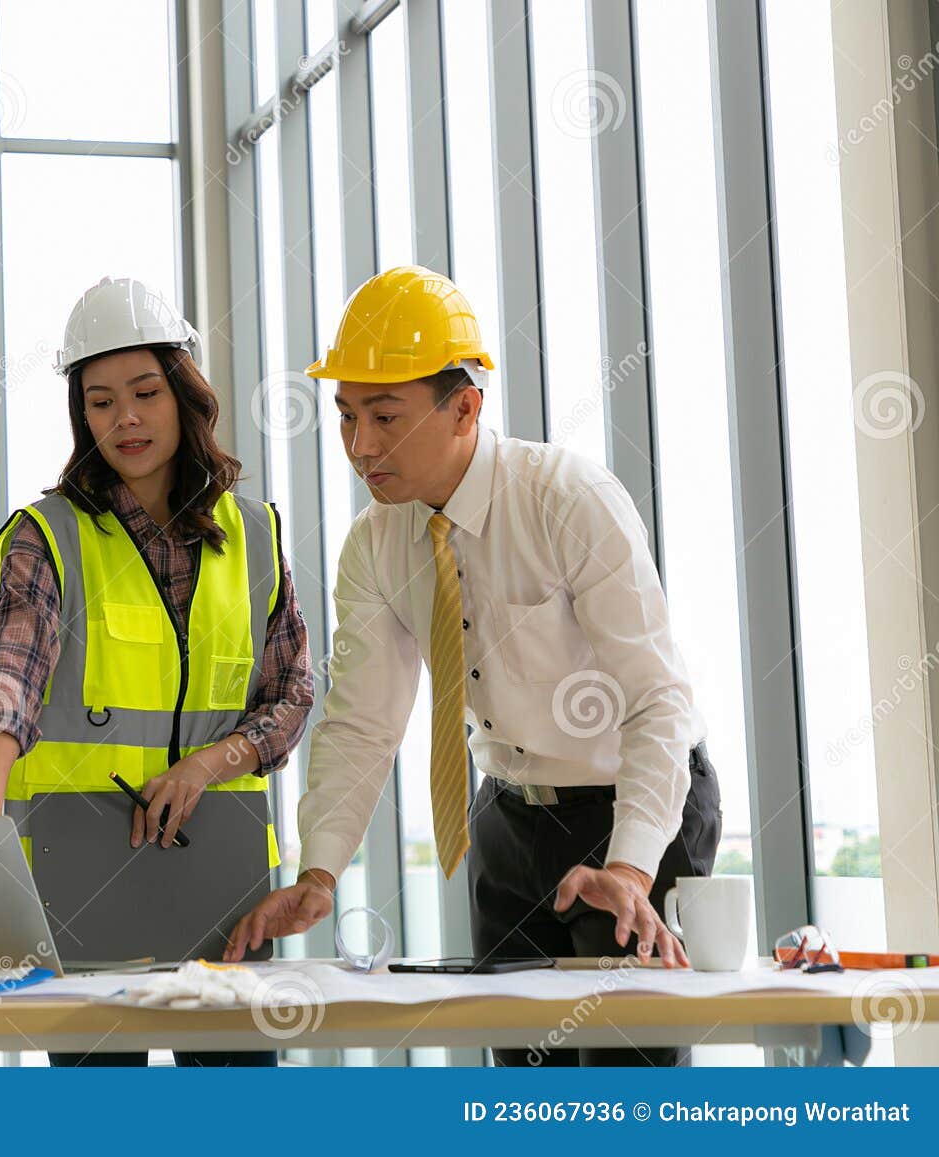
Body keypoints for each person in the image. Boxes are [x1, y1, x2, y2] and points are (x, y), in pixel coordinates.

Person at [224, 266, 721, 1067]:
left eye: (384, 416)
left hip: (634, 805)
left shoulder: (566, 499)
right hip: (507, 820)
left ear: (465, 407)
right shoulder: (377, 545)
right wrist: (319, 869)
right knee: (523, 1084)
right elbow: (362, 720)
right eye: (346, 416)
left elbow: (657, 700)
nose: (360, 446)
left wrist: (629, 865)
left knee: (625, 1087)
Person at [0, 277, 314, 1067]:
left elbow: (293, 690)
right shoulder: (47, 537)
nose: (125, 419)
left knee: (235, 1112)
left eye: (145, 392)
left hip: (219, 874)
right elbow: (11, 673)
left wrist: (213, 763)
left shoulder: (254, 534)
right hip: (81, 873)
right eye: (100, 400)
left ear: (183, 393)